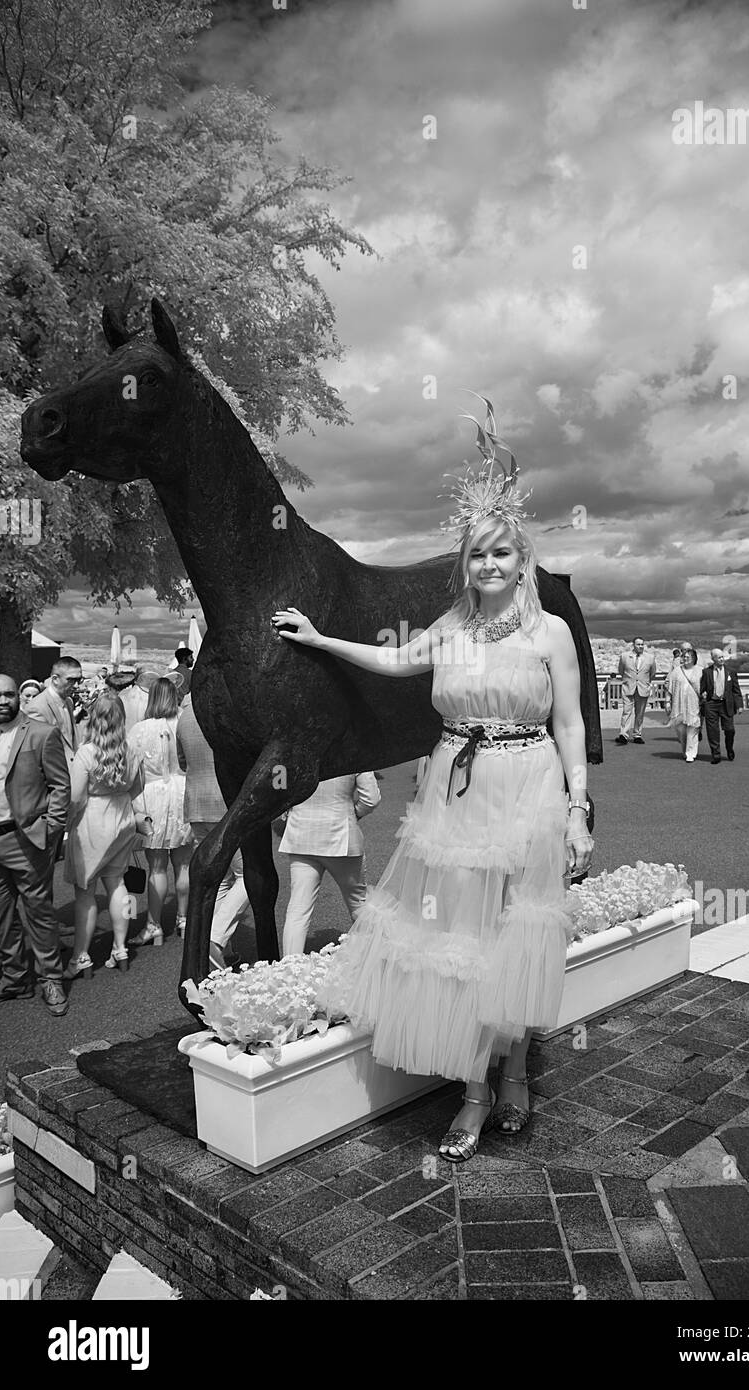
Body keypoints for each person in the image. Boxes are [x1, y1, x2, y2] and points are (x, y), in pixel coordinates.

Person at [272, 445, 594, 1164]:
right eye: (478, 555)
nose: (489, 566)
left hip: (529, 788)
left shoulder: (551, 633)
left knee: (514, 937)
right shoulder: (451, 627)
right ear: (466, 563)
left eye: (502, 554)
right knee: (458, 942)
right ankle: (472, 1092)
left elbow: (569, 722)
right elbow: (393, 662)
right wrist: (321, 640)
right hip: (455, 790)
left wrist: (578, 808)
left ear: (522, 560)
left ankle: (514, 1077)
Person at [0, 674, 70, 1015]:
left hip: (26, 837)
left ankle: (51, 979)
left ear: (20, 698)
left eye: (8, 694)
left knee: (39, 913)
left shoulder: (41, 733)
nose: (2, 700)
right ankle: (14, 979)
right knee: (2, 917)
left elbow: (60, 786)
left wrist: (50, 829)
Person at [63, 694, 147, 977]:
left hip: (91, 820)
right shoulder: (133, 749)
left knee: (86, 893)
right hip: (122, 817)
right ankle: (121, 948)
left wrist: (67, 824)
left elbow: (75, 798)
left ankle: (81, 956)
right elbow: (138, 788)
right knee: (118, 884)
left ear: (93, 718)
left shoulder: (86, 752)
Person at [176, 691, 250, 968]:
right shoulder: (228, 712)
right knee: (248, 875)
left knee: (216, 877)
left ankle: (217, 948)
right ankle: (216, 938)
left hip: (197, 802)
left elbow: (182, 762)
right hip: (228, 803)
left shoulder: (184, 717)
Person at [278, 772, 381, 955]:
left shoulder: (296, 745)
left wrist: (288, 813)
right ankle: (375, 959)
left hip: (302, 834)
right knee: (358, 903)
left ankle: (288, 971)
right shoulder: (353, 746)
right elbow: (371, 798)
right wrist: (353, 813)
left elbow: (279, 787)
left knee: (297, 911)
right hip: (341, 833)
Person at [126, 678, 194, 945]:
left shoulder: (140, 730)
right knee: (184, 863)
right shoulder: (185, 723)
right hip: (182, 792)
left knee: (157, 866)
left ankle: (154, 925)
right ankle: (184, 918)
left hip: (152, 795)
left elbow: (131, 772)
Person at [25, 657, 84, 770]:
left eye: (79, 680)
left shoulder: (68, 702)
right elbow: (35, 754)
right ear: (55, 679)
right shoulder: (37, 708)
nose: (76, 686)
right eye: (71, 680)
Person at [700, 649, 744, 764]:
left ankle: (729, 748)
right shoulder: (706, 672)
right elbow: (702, 689)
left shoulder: (731, 672)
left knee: (730, 730)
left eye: (722, 657)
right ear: (713, 659)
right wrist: (703, 694)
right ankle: (716, 755)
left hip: (726, 704)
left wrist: (739, 705)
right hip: (711, 704)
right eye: (719, 657)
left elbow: (736, 691)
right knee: (712, 731)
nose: (721, 659)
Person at [615, 638, 656, 746]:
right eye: (638, 644)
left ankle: (637, 734)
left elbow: (652, 673)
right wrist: (628, 680)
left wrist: (645, 682)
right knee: (626, 711)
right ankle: (623, 734)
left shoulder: (650, 658)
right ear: (633, 645)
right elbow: (621, 670)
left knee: (640, 713)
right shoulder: (624, 656)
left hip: (642, 688)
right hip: (628, 687)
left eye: (642, 644)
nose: (641, 646)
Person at [666, 645, 702, 762]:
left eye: (688, 657)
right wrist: (667, 702)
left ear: (694, 658)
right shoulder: (676, 671)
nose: (685, 659)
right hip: (679, 704)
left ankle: (691, 752)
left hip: (694, 703)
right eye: (684, 657)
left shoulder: (700, 671)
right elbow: (669, 687)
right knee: (681, 730)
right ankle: (685, 750)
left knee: (693, 728)